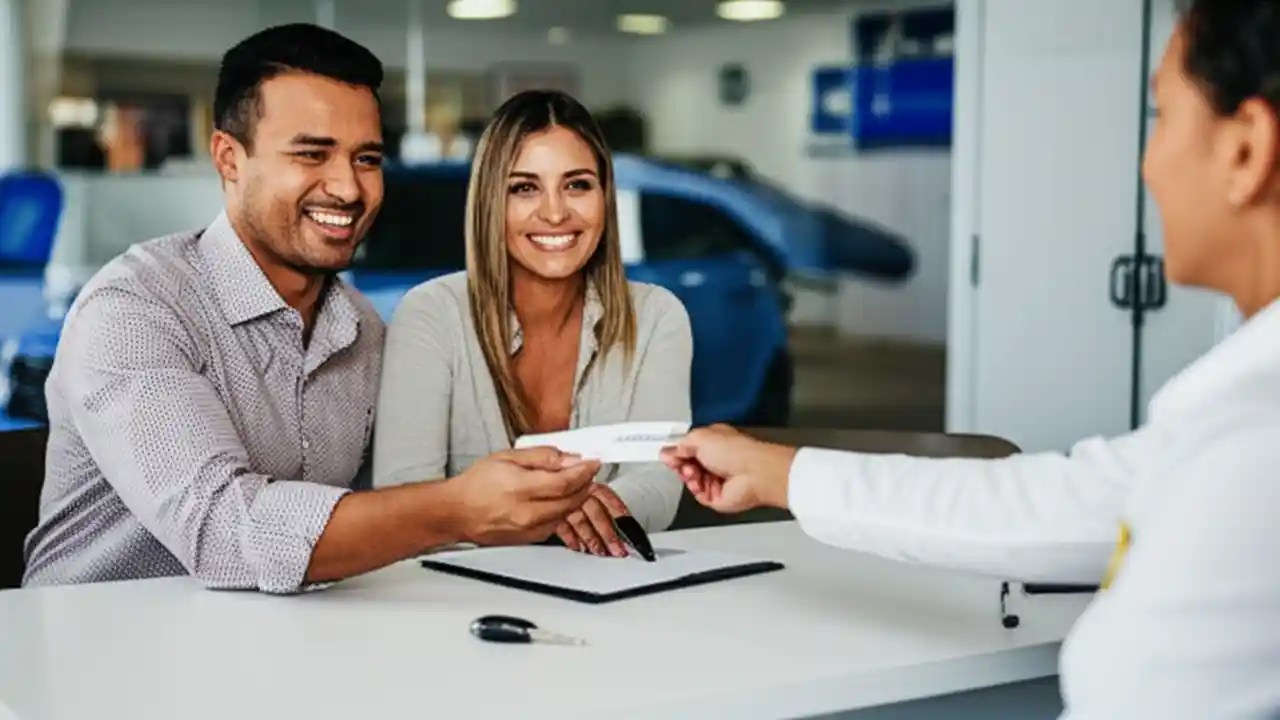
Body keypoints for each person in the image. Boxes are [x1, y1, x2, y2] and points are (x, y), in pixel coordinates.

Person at [662, 2, 1280, 716]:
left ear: (1246, 149)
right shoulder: (1238, 422)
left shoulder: (1255, 441)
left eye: (1162, 117)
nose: (1148, 166)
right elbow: (1056, 504)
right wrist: (780, 472)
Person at [22, 24, 600, 594]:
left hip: (284, 639)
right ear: (228, 158)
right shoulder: (135, 309)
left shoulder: (363, 330)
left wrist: (551, 498)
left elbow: (395, 508)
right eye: (311, 154)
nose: (348, 188)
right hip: (101, 639)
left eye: (366, 159)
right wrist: (456, 509)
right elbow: (225, 533)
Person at [373, 90, 692, 558]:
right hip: (460, 590)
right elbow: (403, 497)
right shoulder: (431, 315)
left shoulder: (657, 316)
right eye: (524, 188)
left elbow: (660, 480)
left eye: (577, 185)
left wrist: (564, 511)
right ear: (490, 201)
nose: (555, 212)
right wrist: (562, 511)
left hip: (605, 584)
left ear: (604, 196)